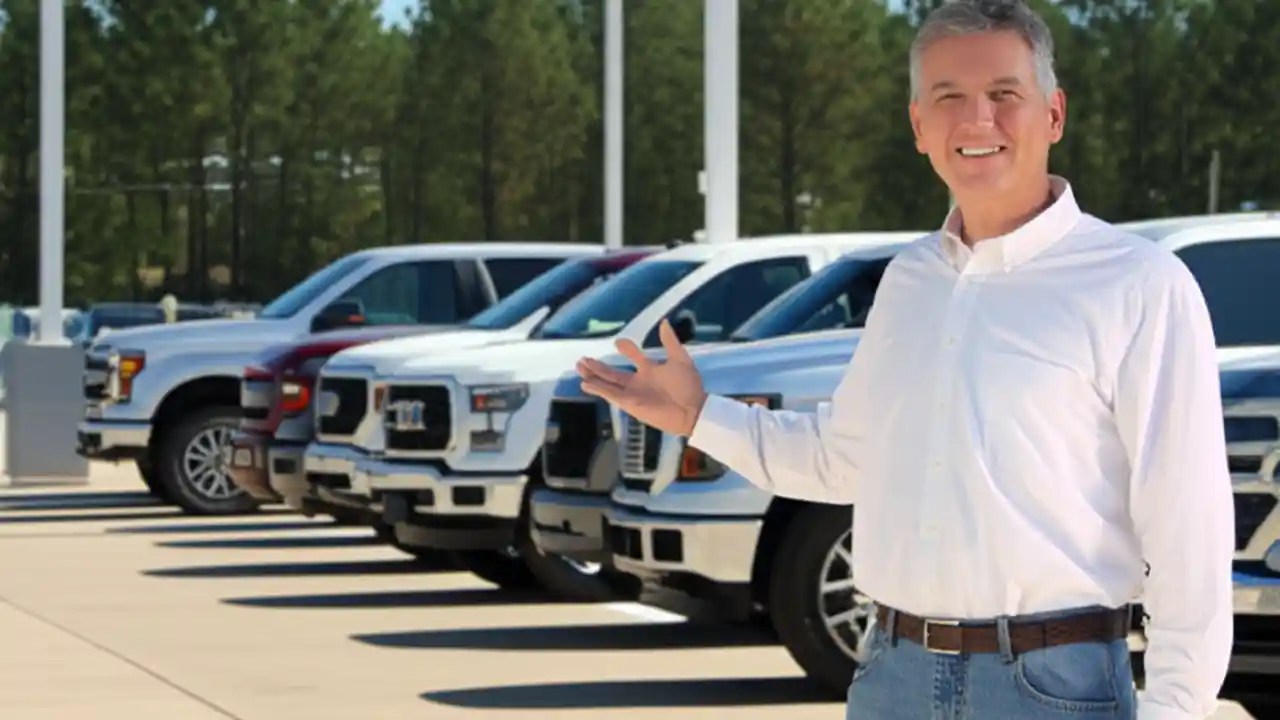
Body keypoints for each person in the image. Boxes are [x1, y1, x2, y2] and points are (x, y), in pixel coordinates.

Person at [576, 1, 1234, 718]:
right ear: (919, 125)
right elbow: (844, 458)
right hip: (893, 677)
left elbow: (1188, 527)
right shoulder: (911, 281)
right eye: (949, 98)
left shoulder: (1137, 284)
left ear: (1054, 114)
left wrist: (1179, 708)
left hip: (1053, 690)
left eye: (1003, 95)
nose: (977, 120)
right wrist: (700, 416)